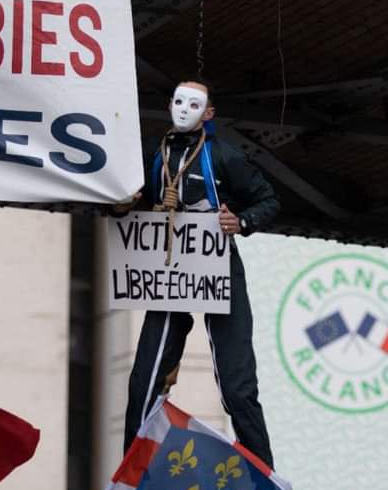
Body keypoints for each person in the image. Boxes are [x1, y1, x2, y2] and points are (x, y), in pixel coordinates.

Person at [118, 79, 280, 465]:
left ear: (208, 113)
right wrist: (120, 207)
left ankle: (263, 474)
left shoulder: (225, 156)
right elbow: (127, 200)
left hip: (217, 266)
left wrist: (240, 221)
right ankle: (132, 471)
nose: (183, 109)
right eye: (177, 101)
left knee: (236, 385)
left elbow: (269, 200)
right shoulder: (153, 156)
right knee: (145, 378)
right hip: (171, 271)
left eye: (194, 104)